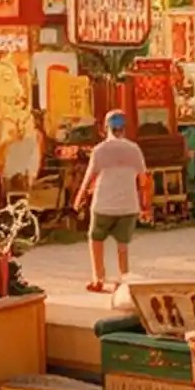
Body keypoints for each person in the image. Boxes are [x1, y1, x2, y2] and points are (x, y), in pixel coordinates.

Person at [74, 110, 149, 293]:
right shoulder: (134, 149)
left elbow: (89, 177)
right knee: (122, 245)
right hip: (129, 206)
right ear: (124, 128)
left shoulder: (100, 150)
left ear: (105, 128)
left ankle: (98, 278)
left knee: (96, 239)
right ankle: (124, 279)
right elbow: (144, 180)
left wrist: (79, 198)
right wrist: (146, 206)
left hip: (103, 206)